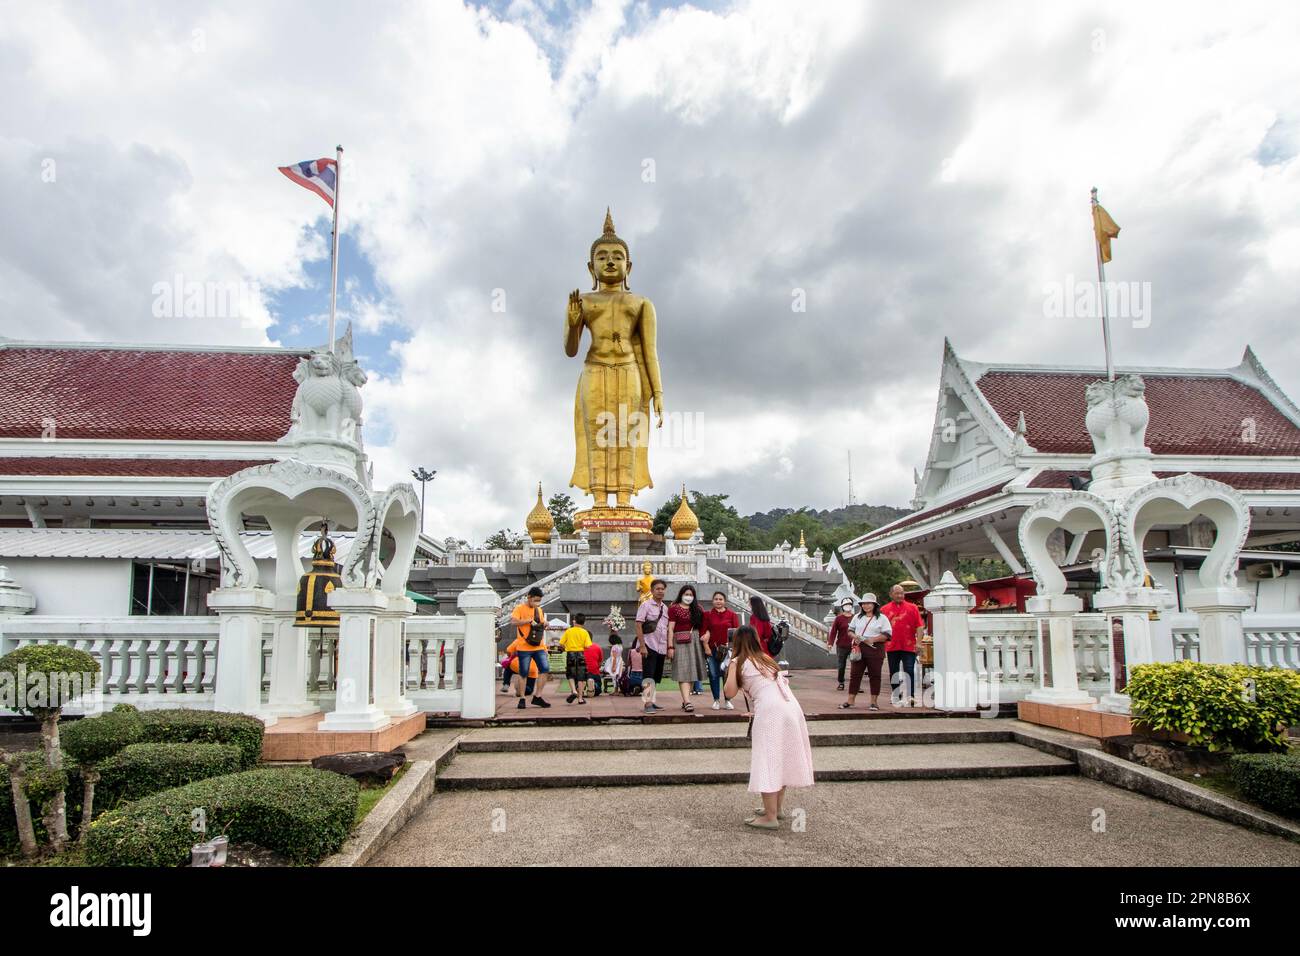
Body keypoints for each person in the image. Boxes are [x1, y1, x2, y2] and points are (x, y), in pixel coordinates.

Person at [724, 624, 814, 829]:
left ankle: (770, 817)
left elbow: (728, 692)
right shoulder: (766, 659)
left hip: (771, 712)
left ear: (735, 642)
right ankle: (776, 808)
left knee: (767, 759)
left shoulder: (739, 662)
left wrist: (730, 666)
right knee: (779, 757)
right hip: (791, 707)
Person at [839, 594, 890, 711]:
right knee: (855, 675)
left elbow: (887, 635)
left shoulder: (882, 618)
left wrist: (872, 639)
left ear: (874, 605)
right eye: (864, 604)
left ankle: (874, 702)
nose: (866, 606)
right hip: (859, 647)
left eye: (869, 603)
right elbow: (850, 630)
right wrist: (855, 636)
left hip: (875, 648)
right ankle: (850, 700)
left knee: (875, 675)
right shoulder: (857, 617)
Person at [506, 586, 550, 709]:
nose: (537, 603)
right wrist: (526, 621)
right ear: (529, 597)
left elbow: (540, 624)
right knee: (523, 672)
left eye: (539, 601)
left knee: (545, 669)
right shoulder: (519, 608)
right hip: (524, 647)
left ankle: (538, 696)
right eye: (535, 600)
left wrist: (545, 624)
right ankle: (522, 698)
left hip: (538, 645)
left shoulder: (539, 610)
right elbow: (513, 622)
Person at [667, 584, 708, 713]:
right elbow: (670, 629)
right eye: (686, 594)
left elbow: (704, 626)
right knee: (683, 672)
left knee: (691, 673)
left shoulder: (698, 609)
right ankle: (687, 701)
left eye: (691, 595)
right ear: (681, 594)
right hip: (679, 641)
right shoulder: (674, 608)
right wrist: (670, 646)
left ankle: (686, 700)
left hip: (695, 641)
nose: (688, 597)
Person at [882, 583, 924, 707]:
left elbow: (920, 626)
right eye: (897, 593)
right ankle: (896, 695)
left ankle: (910, 695)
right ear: (891, 595)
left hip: (909, 645)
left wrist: (919, 643)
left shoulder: (913, 608)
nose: (900, 595)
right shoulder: (884, 610)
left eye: (902, 593)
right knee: (893, 671)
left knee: (909, 670)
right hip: (892, 645)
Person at [635, 578, 669, 713]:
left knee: (655, 675)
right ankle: (647, 703)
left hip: (661, 646)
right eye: (657, 589)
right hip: (649, 644)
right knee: (648, 674)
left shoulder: (665, 608)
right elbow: (638, 625)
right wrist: (642, 645)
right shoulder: (646, 605)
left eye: (662, 589)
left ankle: (652, 701)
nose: (660, 591)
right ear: (652, 590)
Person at [701, 590, 738, 710]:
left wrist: (735, 649)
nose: (718, 601)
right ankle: (716, 700)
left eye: (720, 599)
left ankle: (728, 700)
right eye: (716, 599)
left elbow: (737, 632)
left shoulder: (732, 615)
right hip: (712, 649)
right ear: (712, 601)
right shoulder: (708, 615)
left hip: (728, 651)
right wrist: (706, 647)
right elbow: (703, 631)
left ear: (725, 601)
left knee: (727, 675)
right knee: (713, 674)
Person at [560, 612, 593, 704]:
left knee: (570, 674)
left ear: (575, 621)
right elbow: (588, 646)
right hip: (580, 655)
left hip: (570, 654)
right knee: (581, 677)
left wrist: (565, 647)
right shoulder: (585, 632)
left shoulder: (568, 631)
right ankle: (580, 698)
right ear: (584, 622)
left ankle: (574, 691)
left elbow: (561, 643)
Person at [826, 597, 855, 690]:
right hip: (842, 645)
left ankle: (855, 684)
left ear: (852, 606)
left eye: (849, 605)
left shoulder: (856, 617)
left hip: (854, 645)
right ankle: (841, 682)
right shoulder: (839, 618)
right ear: (842, 607)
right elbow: (834, 631)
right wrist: (830, 643)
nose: (847, 607)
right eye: (845, 605)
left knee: (856, 666)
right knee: (841, 665)